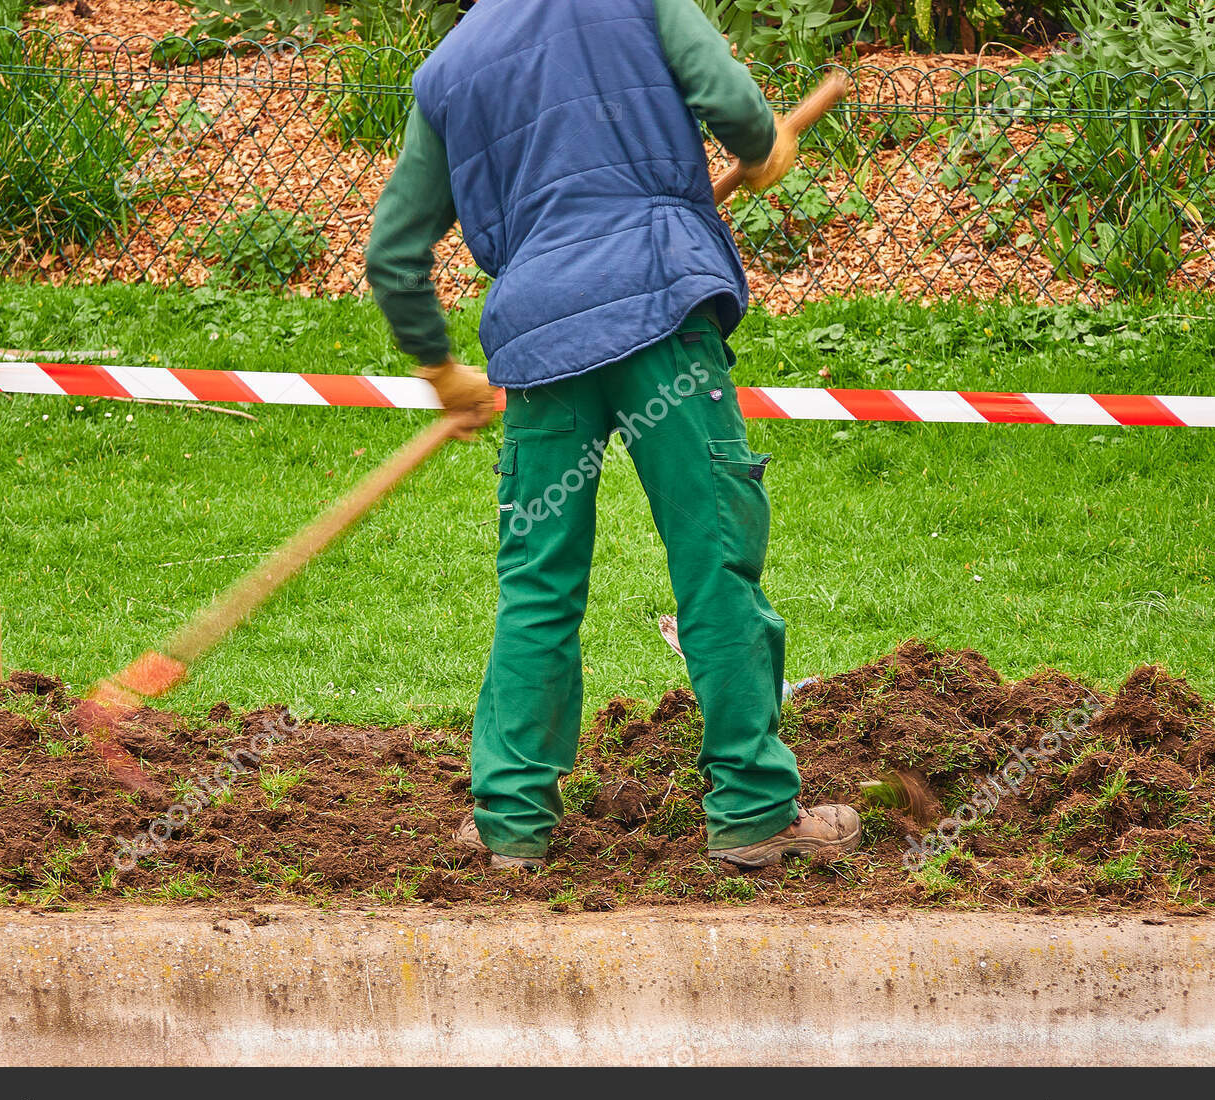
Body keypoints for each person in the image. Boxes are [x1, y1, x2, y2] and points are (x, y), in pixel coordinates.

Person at [365, 0, 860, 870]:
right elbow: (733, 103)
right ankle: (751, 808)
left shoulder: (445, 71)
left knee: (539, 581)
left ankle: (512, 819)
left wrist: (442, 369)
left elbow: (393, 256)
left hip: (540, 339)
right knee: (711, 556)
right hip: (663, 308)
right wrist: (763, 149)